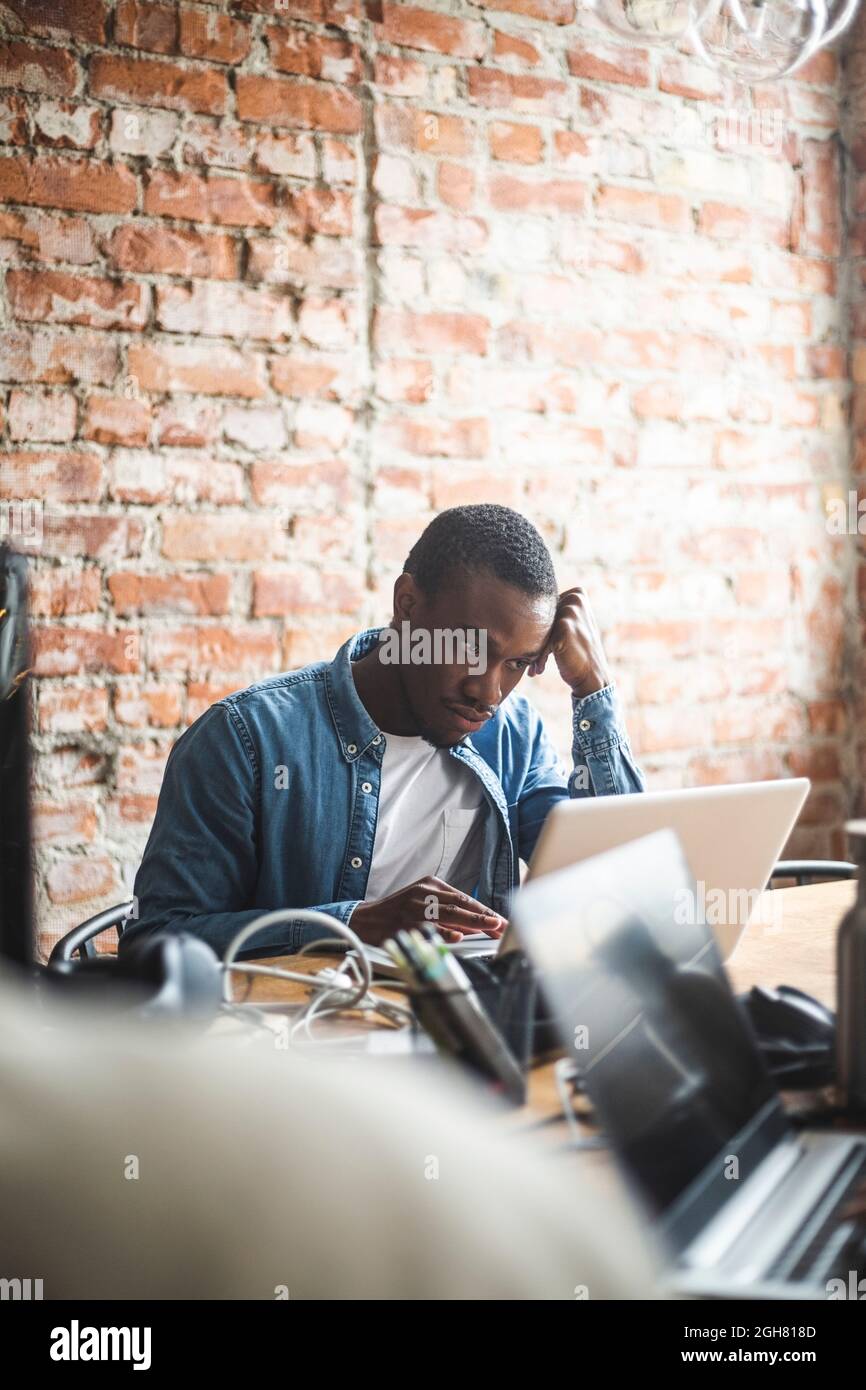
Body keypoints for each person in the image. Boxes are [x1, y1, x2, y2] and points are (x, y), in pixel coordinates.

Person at [122, 505, 644, 959]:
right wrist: (350, 925)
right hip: (302, 1048)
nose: (489, 692)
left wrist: (592, 691)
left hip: (467, 1039)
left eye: (517, 664)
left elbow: (623, 884)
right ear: (408, 605)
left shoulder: (513, 737)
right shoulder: (246, 741)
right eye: (472, 649)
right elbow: (156, 941)